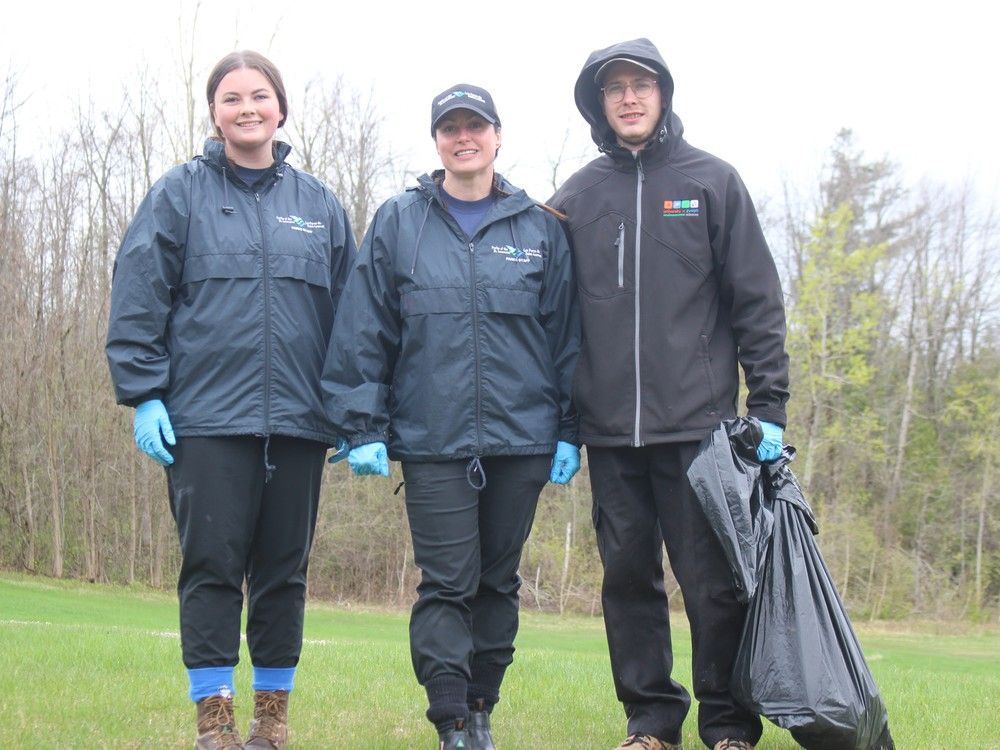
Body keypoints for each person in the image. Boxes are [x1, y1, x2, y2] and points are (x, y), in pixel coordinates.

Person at [105, 50, 355, 750]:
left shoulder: (320, 206)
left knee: (284, 576)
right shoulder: (178, 195)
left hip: (302, 426)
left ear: (282, 108)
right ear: (213, 113)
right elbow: (138, 296)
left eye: (260, 96)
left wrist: (357, 416)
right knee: (211, 571)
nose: (247, 108)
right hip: (206, 425)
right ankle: (213, 723)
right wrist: (145, 393)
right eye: (232, 98)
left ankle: (271, 723)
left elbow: (354, 322)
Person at [323, 83, 580, 750]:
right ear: (436, 141)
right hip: (434, 442)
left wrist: (570, 428)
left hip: (521, 440)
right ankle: (450, 720)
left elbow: (569, 338)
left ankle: (483, 705)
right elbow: (363, 330)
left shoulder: (540, 228)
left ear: (498, 135)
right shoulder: (399, 222)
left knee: (498, 581)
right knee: (447, 582)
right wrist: (362, 424)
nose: (464, 137)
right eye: (450, 128)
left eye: (476, 125)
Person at [549, 38, 789, 750]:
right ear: (597, 104)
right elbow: (554, 322)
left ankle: (728, 725)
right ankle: (651, 722)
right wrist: (565, 421)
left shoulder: (713, 182)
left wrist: (769, 406)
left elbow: (757, 302)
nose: (628, 97)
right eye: (614, 88)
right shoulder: (576, 198)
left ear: (663, 94)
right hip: (609, 434)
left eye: (640, 85)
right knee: (628, 584)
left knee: (715, 589)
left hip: (700, 432)